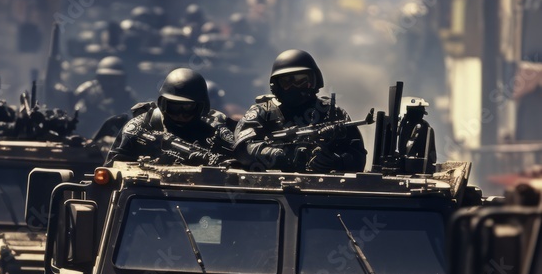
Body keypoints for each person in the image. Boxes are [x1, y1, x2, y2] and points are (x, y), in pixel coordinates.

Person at [234, 50, 367, 173]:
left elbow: (357, 157)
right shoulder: (263, 112)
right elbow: (243, 148)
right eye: (287, 82)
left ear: (315, 81)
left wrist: (335, 161)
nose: (295, 87)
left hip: (322, 189)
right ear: (276, 86)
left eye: (301, 81)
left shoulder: (332, 113)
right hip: (271, 187)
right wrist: (281, 155)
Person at [105, 68, 236, 167]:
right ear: (162, 104)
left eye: (187, 108)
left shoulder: (215, 128)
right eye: (173, 107)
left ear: (200, 108)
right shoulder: (140, 128)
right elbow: (112, 169)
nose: (179, 114)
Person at [74, 56, 137, 139]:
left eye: (114, 79)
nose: (109, 83)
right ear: (99, 78)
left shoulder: (128, 97)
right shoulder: (87, 91)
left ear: (122, 80)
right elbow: (75, 115)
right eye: (105, 78)